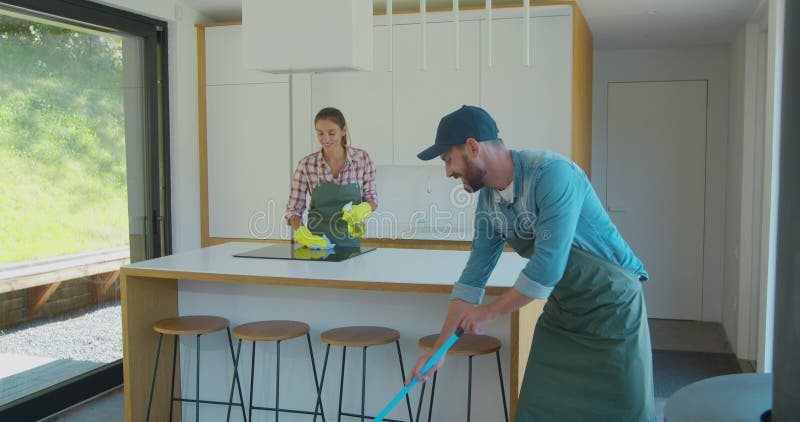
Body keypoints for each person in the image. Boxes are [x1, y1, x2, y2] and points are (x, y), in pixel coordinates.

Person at [407, 105, 655, 421]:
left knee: (627, 413)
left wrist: (489, 312)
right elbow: (472, 279)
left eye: (447, 159)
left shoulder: (553, 174)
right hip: (565, 312)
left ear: (472, 147)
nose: (447, 172)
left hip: (614, 307)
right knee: (538, 412)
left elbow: (547, 268)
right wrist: (438, 352)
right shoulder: (488, 204)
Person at [285, 107, 377, 249]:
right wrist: (301, 232)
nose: (325, 139)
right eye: (320, 133)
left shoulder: (362, 159)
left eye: (332, 133)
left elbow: (372, 199)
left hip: (350, 244)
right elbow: (293, 210)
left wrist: (363, 209)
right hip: (317, 244)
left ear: (344, 130)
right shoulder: (307, 165)